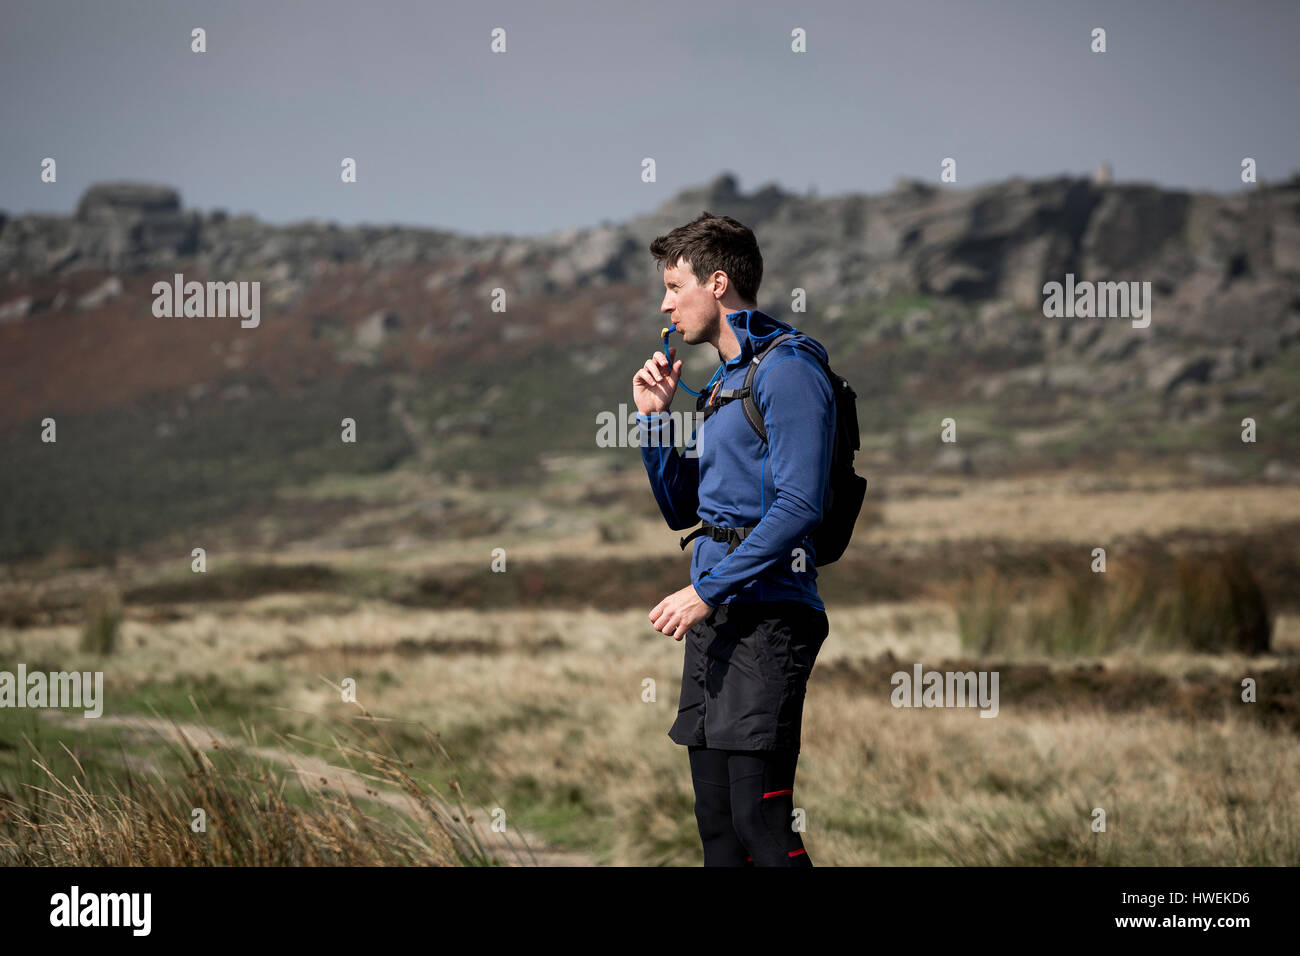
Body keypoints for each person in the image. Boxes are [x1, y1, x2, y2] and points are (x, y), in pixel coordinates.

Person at [633, 211, 836, 867]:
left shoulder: (789, 370)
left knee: (762, 825)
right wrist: (655, 424)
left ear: (717, 283)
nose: (665, 304)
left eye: (673, 286)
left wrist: (702, 589)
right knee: (718, 830)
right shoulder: (721, 383)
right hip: (717, 619)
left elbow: (801, 504)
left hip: (771, 618)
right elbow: (683, 510)